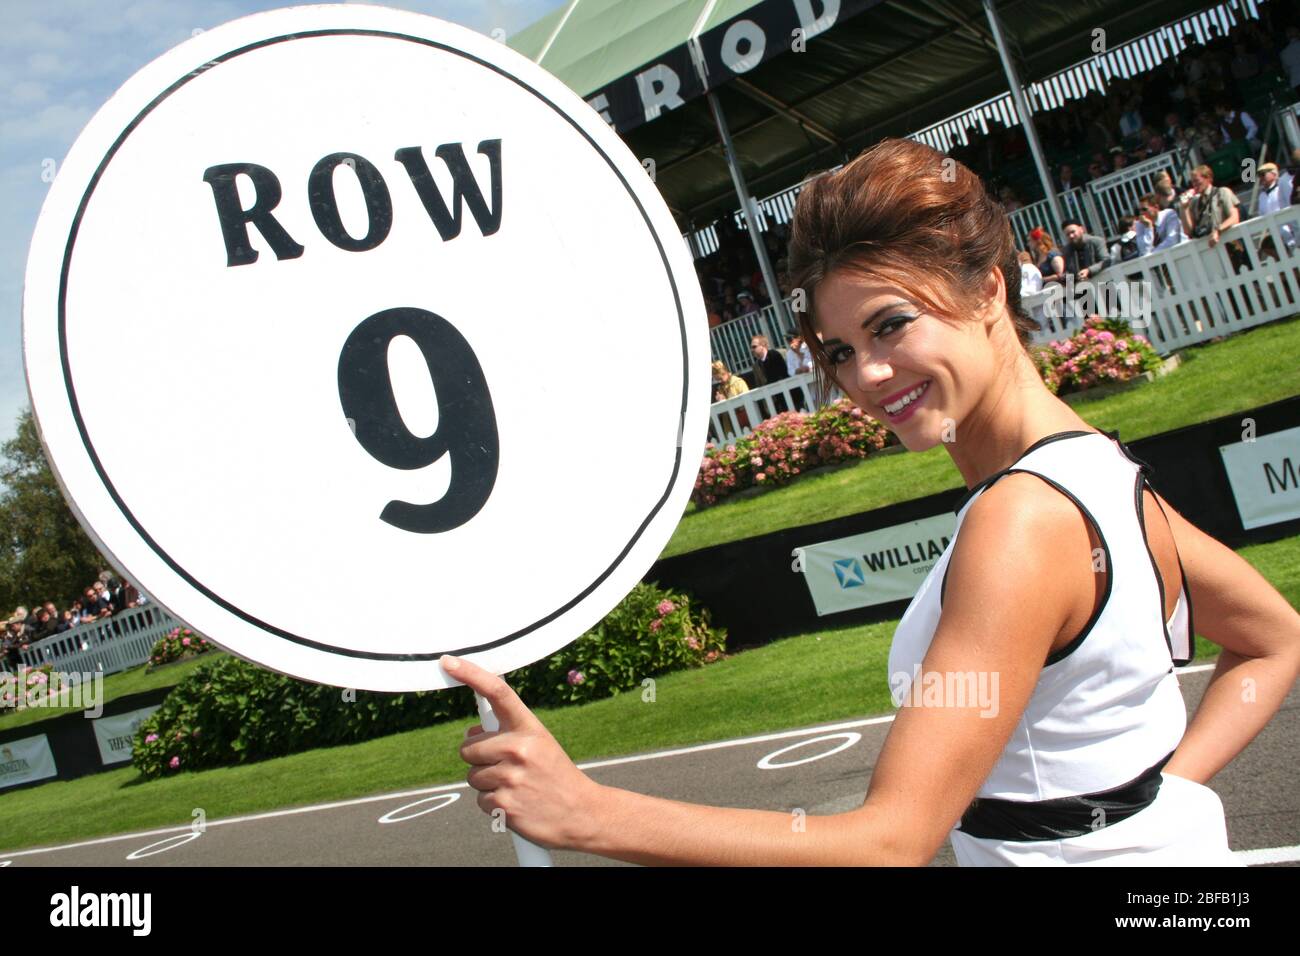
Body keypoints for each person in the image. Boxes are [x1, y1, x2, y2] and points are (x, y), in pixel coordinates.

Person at [441, 138, 1299, 866]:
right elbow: (1273, 641)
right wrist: (1151, 801)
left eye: (891, 325)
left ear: (989, 291)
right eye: (840, 351)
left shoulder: (1024, 519)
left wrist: (589, 813)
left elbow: (889, 842)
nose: (867, 376)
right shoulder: (1096, 469)